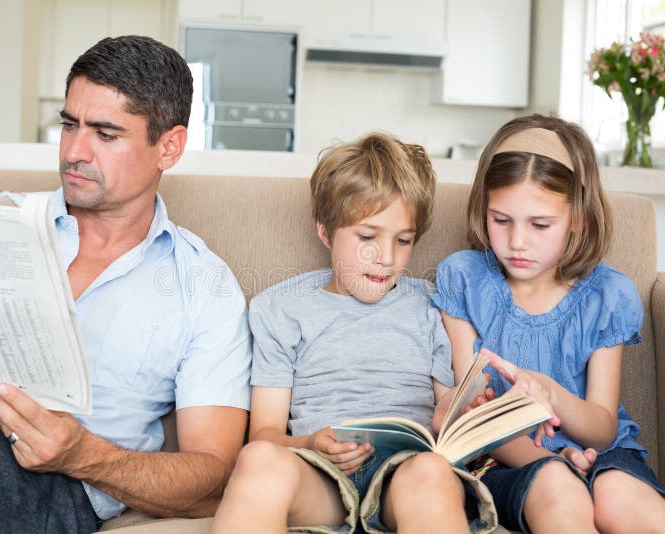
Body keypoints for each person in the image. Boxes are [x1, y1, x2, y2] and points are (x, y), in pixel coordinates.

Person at [0, 35, 252, 532]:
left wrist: (83, 454)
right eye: (69, 125)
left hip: (51, 489)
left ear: (169, 146)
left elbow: (212, 479)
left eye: (106, 134)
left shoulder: (203, 286)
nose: (74, 151)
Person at [210, 133, 499, 534]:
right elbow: (265, 433)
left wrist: (457, 412)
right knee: (258, 459)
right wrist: (310, 443)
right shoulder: (280, 308)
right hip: (321, 476)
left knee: (431, 472)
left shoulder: (430, 305)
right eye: (367, 237)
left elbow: (444, 409)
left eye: (404, 240)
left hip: (407, 475)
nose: (387, 258)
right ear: (326, 233)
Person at [432, 113, 665, 533]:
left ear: (578, 217)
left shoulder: (607, 295)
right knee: (557, 487)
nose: (517, 242)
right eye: (500, 220)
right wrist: (552, 459)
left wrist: (552, 394)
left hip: (602, 454)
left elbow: (601, 429)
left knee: (617, 494)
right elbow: (473, 416)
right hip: (507, 459)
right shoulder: (465, 279)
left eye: (540, 225)